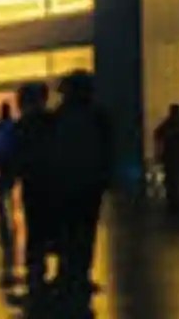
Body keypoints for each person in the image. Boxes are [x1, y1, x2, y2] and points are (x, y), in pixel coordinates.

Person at [50, 70, 113, 316]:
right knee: (85, 231)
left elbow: (53, 149)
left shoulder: (60, 116)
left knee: (67, 230)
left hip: (67, 184)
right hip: (89, 184)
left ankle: (67, 274)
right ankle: (78, 274)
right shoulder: (98, 116)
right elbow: (107, 148)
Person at [13, 82, 56, 308]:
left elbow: (16, 153)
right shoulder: (53, 122)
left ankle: (36, 272)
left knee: (35, 226)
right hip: (52, 182)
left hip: (33, 182)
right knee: (49, 225)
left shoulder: (24, 124)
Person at [0, 102, 18, 279]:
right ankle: (9, 213)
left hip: (1, 160)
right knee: (8, 185)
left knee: (2, 187)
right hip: (10, 160)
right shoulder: (12, 126)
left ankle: (2, 214)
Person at [154, 104, 179, 213]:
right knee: (178, 178)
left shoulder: (168, 124)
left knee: (171, 178)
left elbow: (158, 134)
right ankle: (178, 199)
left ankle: (173, 199)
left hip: (170, 155)